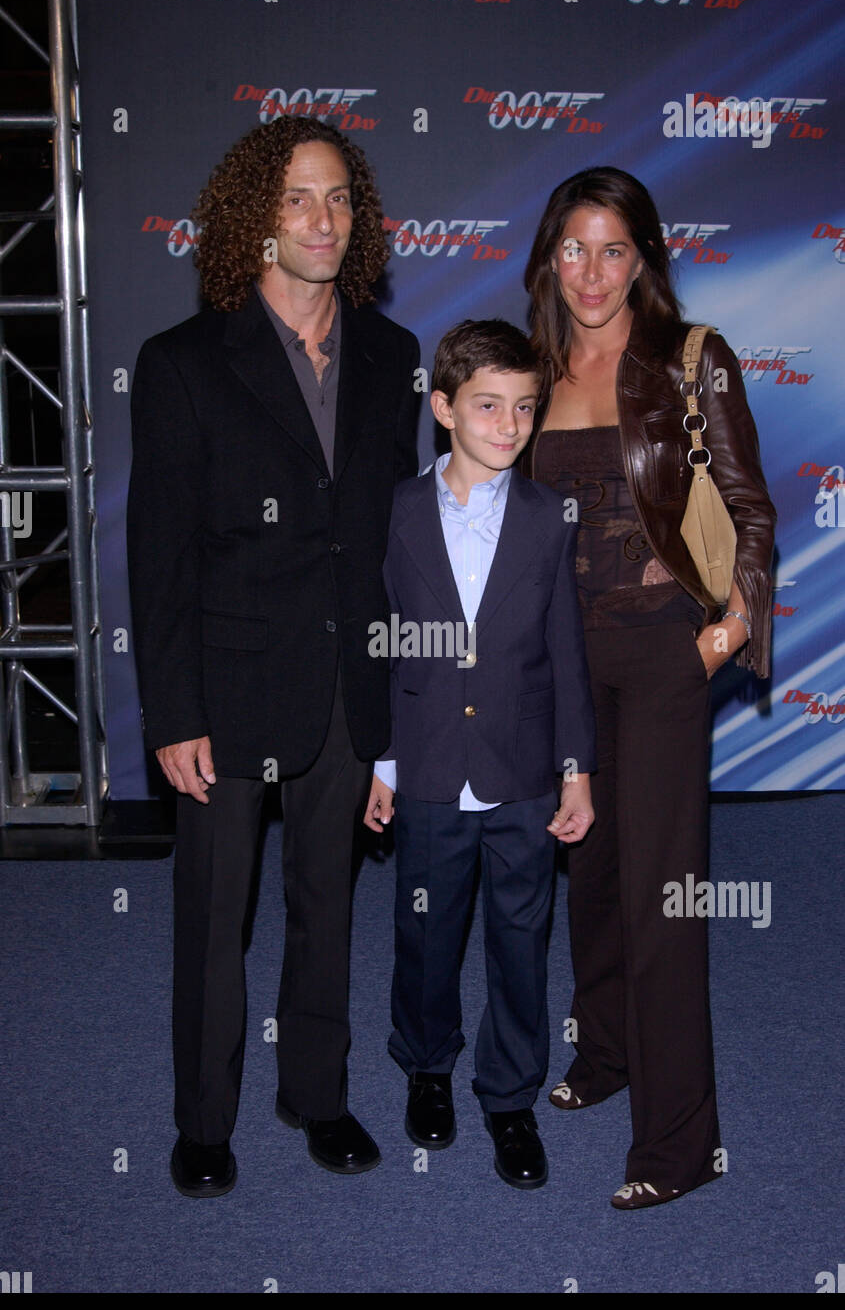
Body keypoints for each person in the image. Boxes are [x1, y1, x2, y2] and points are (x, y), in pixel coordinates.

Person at [127, 116, 420, 1196]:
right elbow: (158, 555)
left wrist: (392, 721)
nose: (321, 219)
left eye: (339, 196)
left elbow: (392, 543)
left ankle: (317, 1094)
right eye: (297, 196)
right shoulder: (183, 363)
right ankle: (204, 1122)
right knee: (215, 916)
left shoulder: (392, 356)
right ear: (255, 216)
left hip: (347, 683)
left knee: (326, 903)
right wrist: (173, 713)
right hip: (227, 689)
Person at [524, 166, 776, 1209]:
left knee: (663, 897)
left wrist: (724, 635)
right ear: (549, 257)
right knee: (589, 873)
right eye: (573, 249)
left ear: (642, 260)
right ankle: (605, 1051)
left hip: (666, 657)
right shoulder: (528, 367)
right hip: (563, 665)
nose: (591, 272)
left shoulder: (689, 359)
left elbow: (749, 509)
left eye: (612, 250)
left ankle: (677, 1147)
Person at [363, 320, 596, 1189]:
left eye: (524, 408)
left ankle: (509, 1095)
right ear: (443, 409)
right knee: (425, 930)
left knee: (520, 938)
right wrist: (383, 763)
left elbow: (566, 650)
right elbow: (383, 645)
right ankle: (427, 1066)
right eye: (487, 406)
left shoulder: (547, 517)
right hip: (426, 761)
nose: (508, 426)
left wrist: (576, 770)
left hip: (523, 768)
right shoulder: (395, 511)